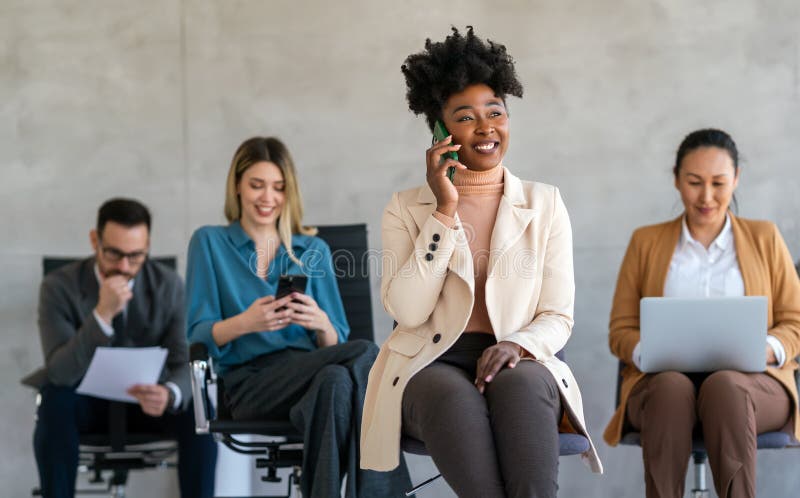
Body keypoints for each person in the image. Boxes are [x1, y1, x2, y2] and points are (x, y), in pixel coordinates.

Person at [360, 27, 602, 498]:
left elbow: (557, 314)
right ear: (440, 129)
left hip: (517, 355)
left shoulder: (546, 203)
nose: (486, 127)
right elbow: (408, 313)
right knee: (451, 400)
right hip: (430, 364)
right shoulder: (405, 208)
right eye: (465, 117)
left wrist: (517, 345)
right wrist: (443, 211)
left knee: (524, 388)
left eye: (495, 112)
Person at [185, 136, 410, 498]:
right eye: (256, 185)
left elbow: (335, 340)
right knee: (367, 353)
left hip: (312, 374)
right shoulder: (209, 243)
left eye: (278, 187)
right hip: (250, 384)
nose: (267, 198)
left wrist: (320, 322)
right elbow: (197, 334)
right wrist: (246, 322)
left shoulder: (312, 249)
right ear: (238, 187)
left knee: (338, 381)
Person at [604, 128, 800, 498]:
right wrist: (650, 351)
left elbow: (796, 321)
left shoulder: (766, 237)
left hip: (753, 386)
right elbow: (621, 329)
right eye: (694, 182)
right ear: (677, 180)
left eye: (718, 183)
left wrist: (769, 347)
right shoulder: (645, 242)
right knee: (670, 389)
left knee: (726, 385)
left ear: (736, 179)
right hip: (663, 384)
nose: (706, 196)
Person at [27, 198, 217, 498]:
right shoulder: (58, 287)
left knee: (198, 408)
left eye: (136, 256)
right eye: (114, 254)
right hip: (84, 403)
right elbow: (60, 371)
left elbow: (185, 361)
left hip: (149, 404)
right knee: (54, 400)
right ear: (95, 241)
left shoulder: (169, 285)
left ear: (147, 246)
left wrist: (170, 393)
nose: (124, 267)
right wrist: (101, 315)